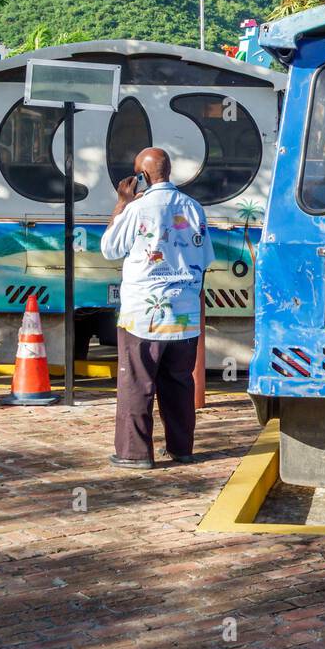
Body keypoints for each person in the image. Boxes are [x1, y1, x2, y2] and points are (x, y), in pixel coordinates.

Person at [100, 147, 213, 469]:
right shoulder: (193, 208)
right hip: (184, 311)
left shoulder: (137, 208)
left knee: (137, 382)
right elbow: (204, 259)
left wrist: (122, 202)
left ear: (141, 176)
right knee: (179, 382)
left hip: (144, 313)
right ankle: (182, 448)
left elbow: (109, 248)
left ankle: (134, 453)